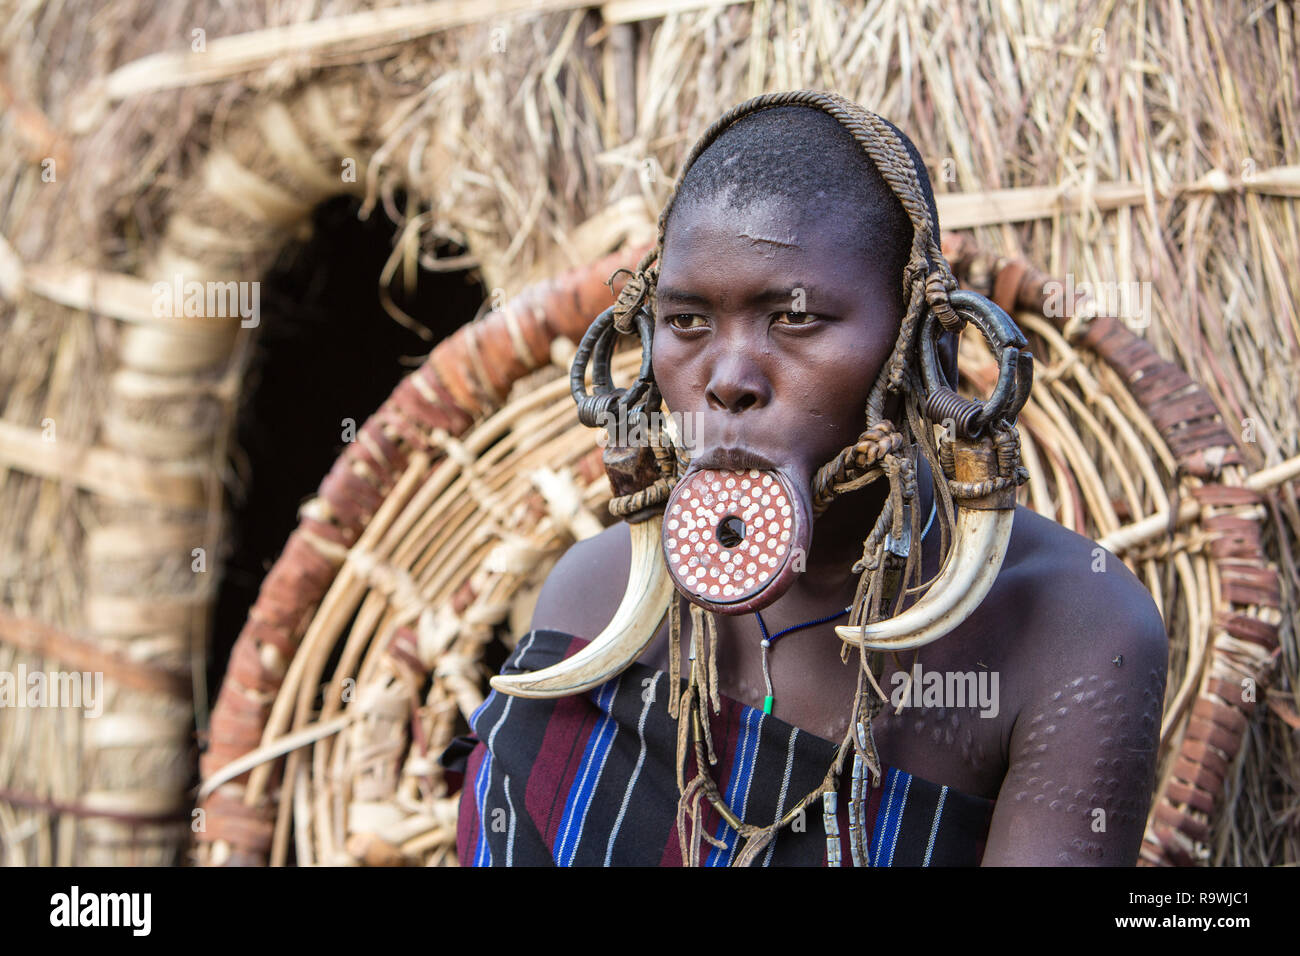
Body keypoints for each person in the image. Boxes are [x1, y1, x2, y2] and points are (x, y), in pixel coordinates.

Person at [440, 90, 1168, 866]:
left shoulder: (1070, 628)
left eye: (793, 318)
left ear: (917, 340)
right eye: (687, 322)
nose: (727, 380)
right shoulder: (591, 597)